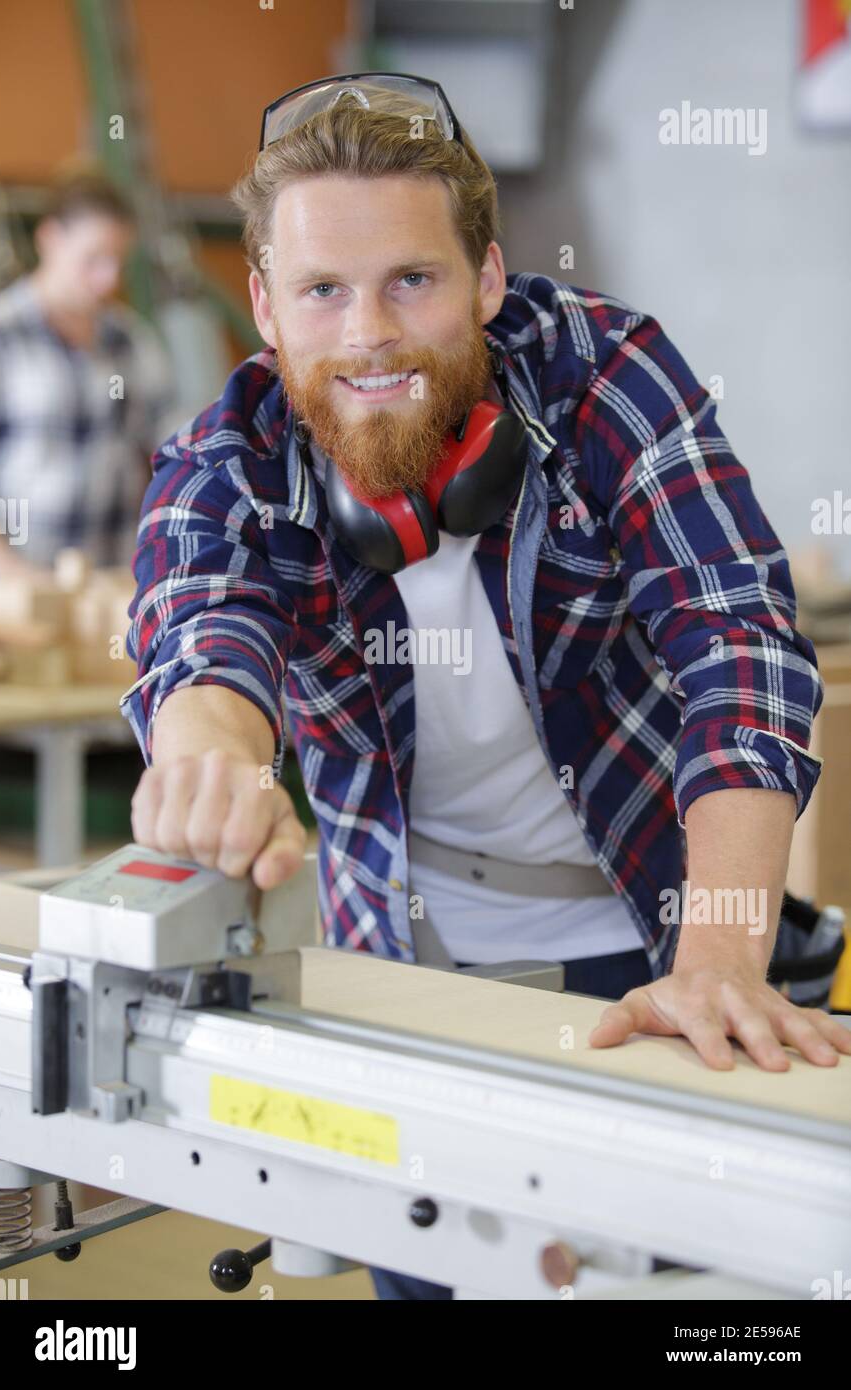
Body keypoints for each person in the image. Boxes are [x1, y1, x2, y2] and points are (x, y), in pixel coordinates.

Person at [119, 75, 851, 1300]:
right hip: (400, 968)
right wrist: (208, 772)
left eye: (411, 279)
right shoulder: (224, 460)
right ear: (263, 306)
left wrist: (723, 946)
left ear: (489, 278)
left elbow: (739, 649)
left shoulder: (606, 373)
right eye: (320, 291)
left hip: (657, 941)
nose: (367, 334)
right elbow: (200, 636)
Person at [0, 168, 175, 580]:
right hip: (12, 590)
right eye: (93, 260)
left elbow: (176, 455)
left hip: (112, 585)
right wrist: (11, 573)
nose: (108, 279)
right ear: (50, 239)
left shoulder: (133, 342)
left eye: (117, 262)